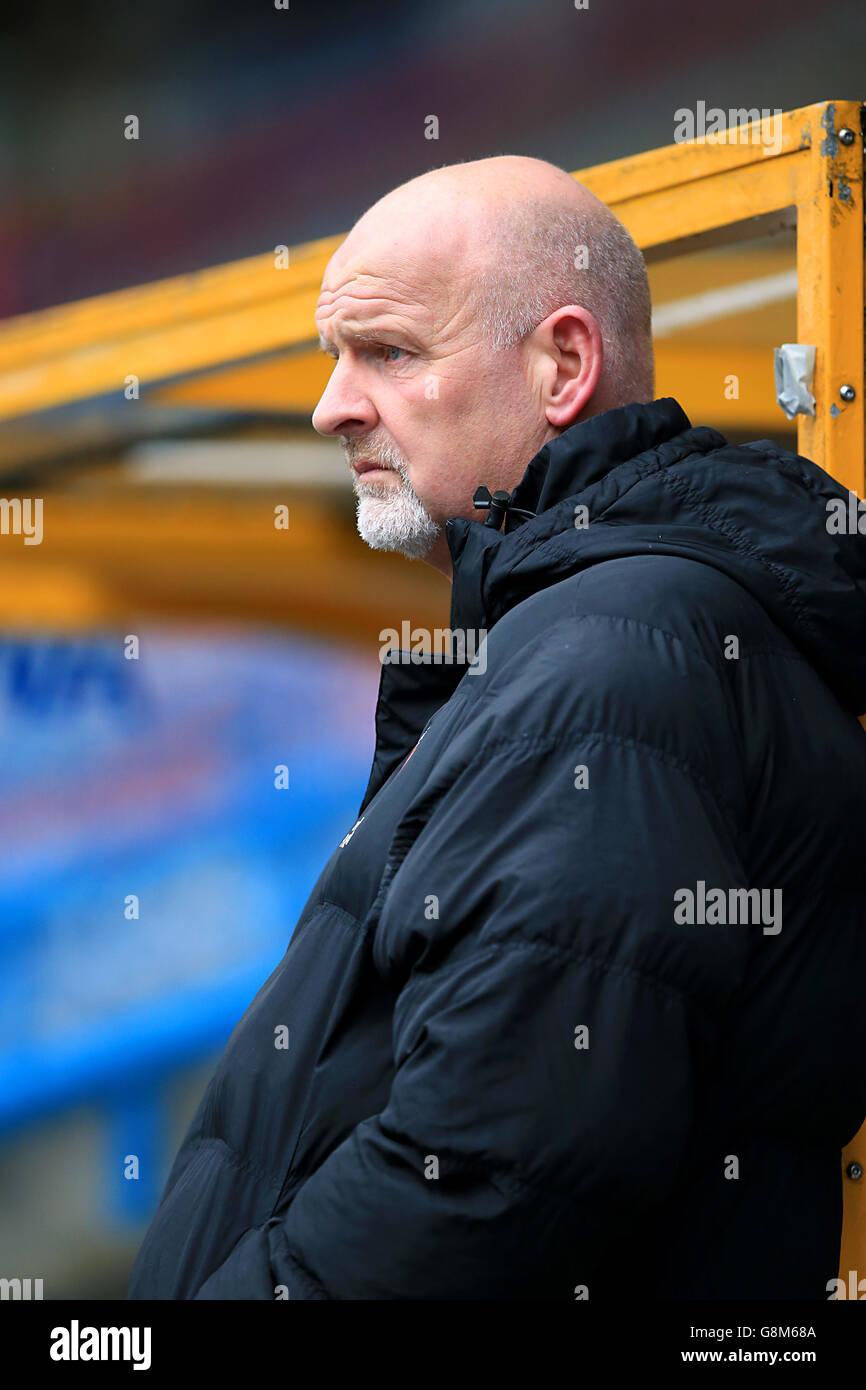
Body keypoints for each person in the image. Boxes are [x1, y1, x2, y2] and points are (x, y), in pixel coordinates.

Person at [127, 155, 866, 1300]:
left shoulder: (613, 651)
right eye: (336, 357)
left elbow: (482, 1169)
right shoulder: (593, 638)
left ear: (562, 363)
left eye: (387, 352)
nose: (330, 405)